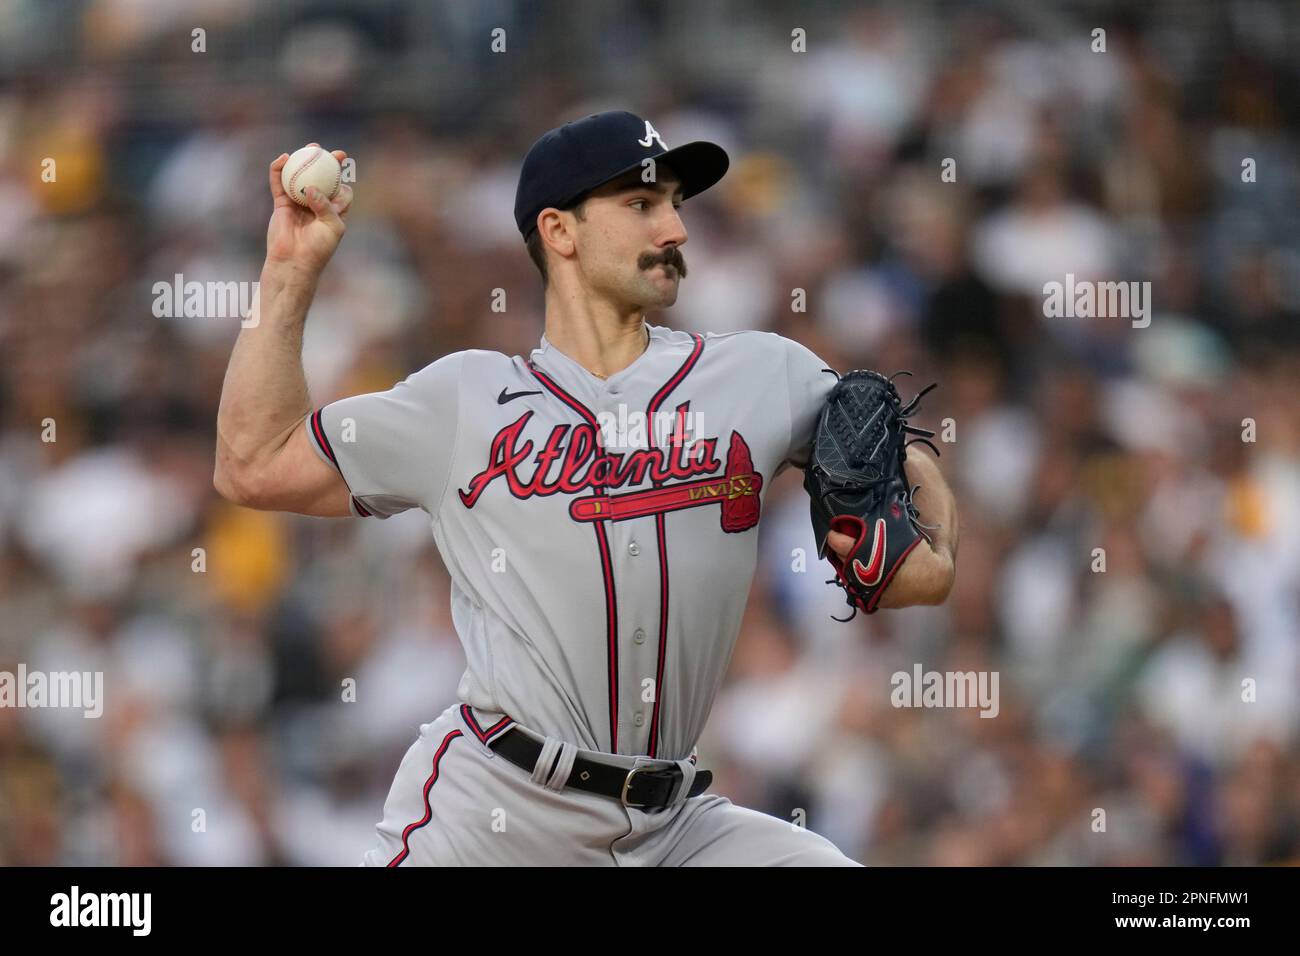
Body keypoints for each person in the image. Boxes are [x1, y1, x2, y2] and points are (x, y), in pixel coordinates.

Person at [213, 111, 958, 866]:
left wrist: (924, 534)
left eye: (675, 203)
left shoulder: (766, 375)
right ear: (559, 232)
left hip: (676, 828)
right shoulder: (461, 399)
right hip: (496, 815)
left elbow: (904, 479)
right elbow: (252, 462)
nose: (675, 229)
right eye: (641, 204)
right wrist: (289, 271)